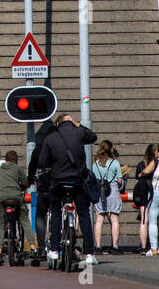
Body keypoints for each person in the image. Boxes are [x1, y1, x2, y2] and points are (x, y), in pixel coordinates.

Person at [36, 112, 99, 266]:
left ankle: (54, 249)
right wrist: (78, 124)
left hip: (58, 181)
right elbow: (93, 137)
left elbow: (42, 162)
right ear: (71, 122)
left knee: (56, 210)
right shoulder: (79, 133)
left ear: (57, 124)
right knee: (83, 213)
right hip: (78, 180)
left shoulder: (50, 138)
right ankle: (89, 253)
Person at [0, 150, 30, 263]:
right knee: (24, 220)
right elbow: (25, 182)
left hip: (2, 199)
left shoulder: (0, 168)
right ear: (16, 160)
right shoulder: (18, 168)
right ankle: (33, 247)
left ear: (5, 160)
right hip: (16, 198)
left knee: (0, 224)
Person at [27, 118, 56, 258]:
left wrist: (30, 179)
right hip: (58, 185)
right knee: (58, 213)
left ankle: (42, 247)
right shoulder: (61, 147)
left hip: (44, 186)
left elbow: (31, 167)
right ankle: (58, 244)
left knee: (40, 215)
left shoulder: (39, 148)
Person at [91, 140, 126, 253]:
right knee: (114, 218)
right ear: (110, 149)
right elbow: (119, 180)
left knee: (99, 218)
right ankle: (115, 246)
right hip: (113, 191)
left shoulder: (95, 164)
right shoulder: (115, 163)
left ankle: (98, 246)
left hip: (100, 192)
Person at [132, 144, 157, 254]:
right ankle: (158, 246)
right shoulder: (158, 163)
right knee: (156, 220)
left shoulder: (141, 164)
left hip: (143, 192)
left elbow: (137, 180)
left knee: (144, 220)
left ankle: (143, 246)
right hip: (155, 191)